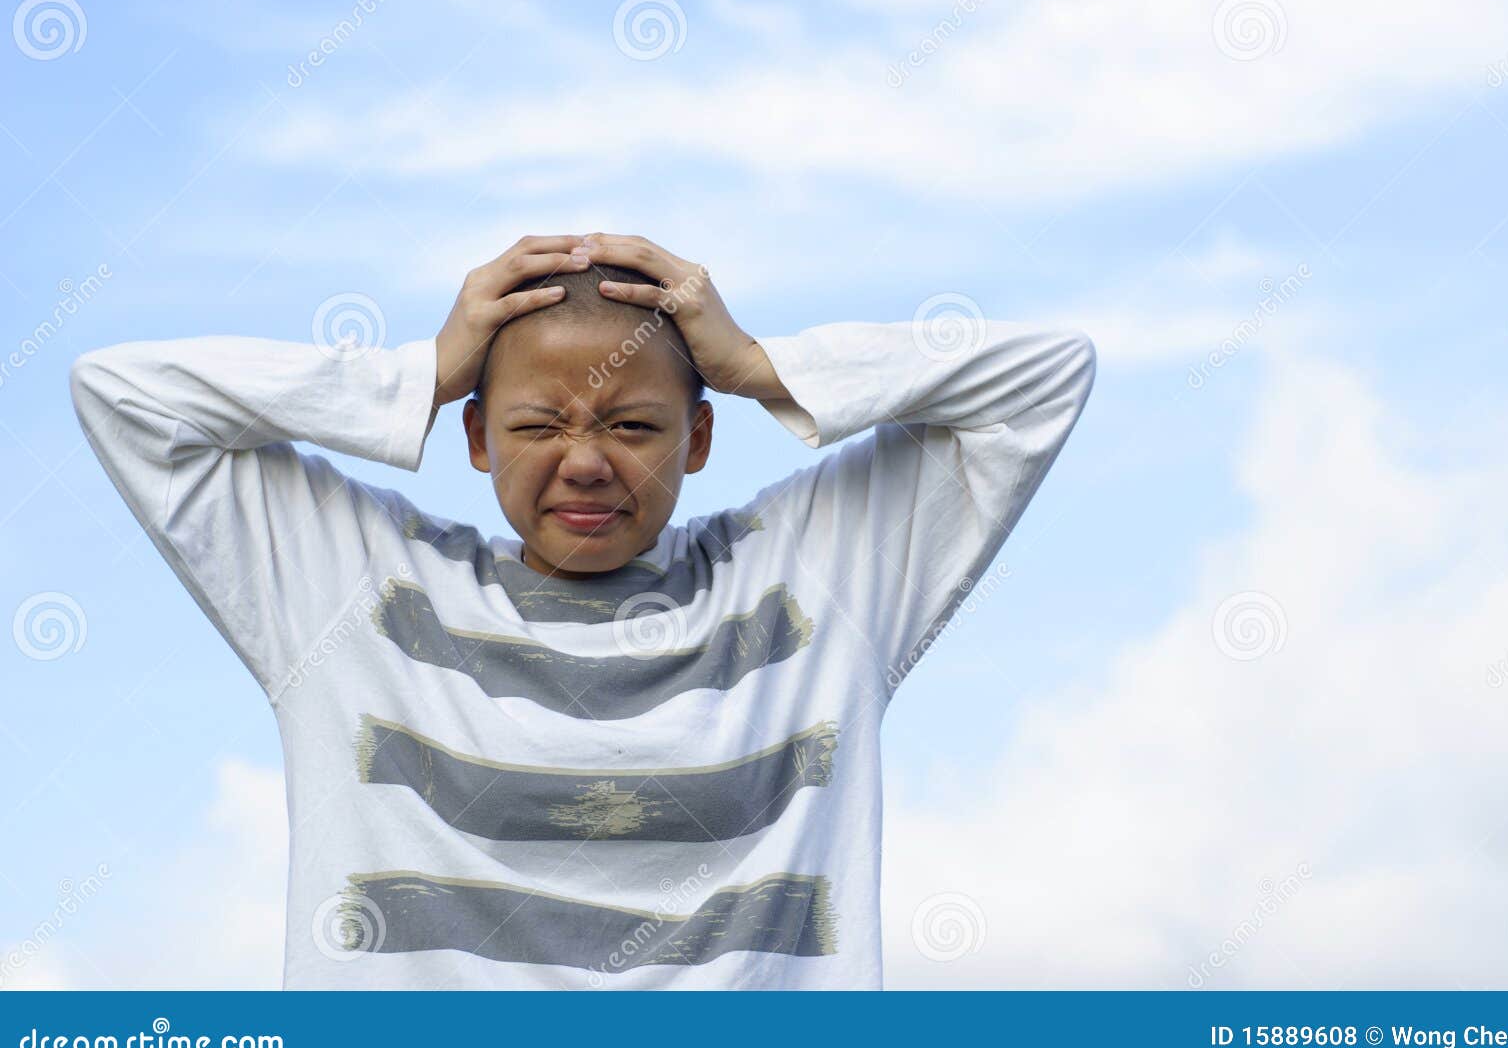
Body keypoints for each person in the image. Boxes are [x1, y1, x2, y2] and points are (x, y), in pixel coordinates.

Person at [69, 232, 1098, 989]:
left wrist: (763, 368)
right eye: (535, 424)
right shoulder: (354, 590)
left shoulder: (815, 577)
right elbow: (122, 394)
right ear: (474, 438)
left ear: (698, 438)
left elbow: (1045, 377)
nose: (587, 461)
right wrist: (414, 377)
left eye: (633, 423)